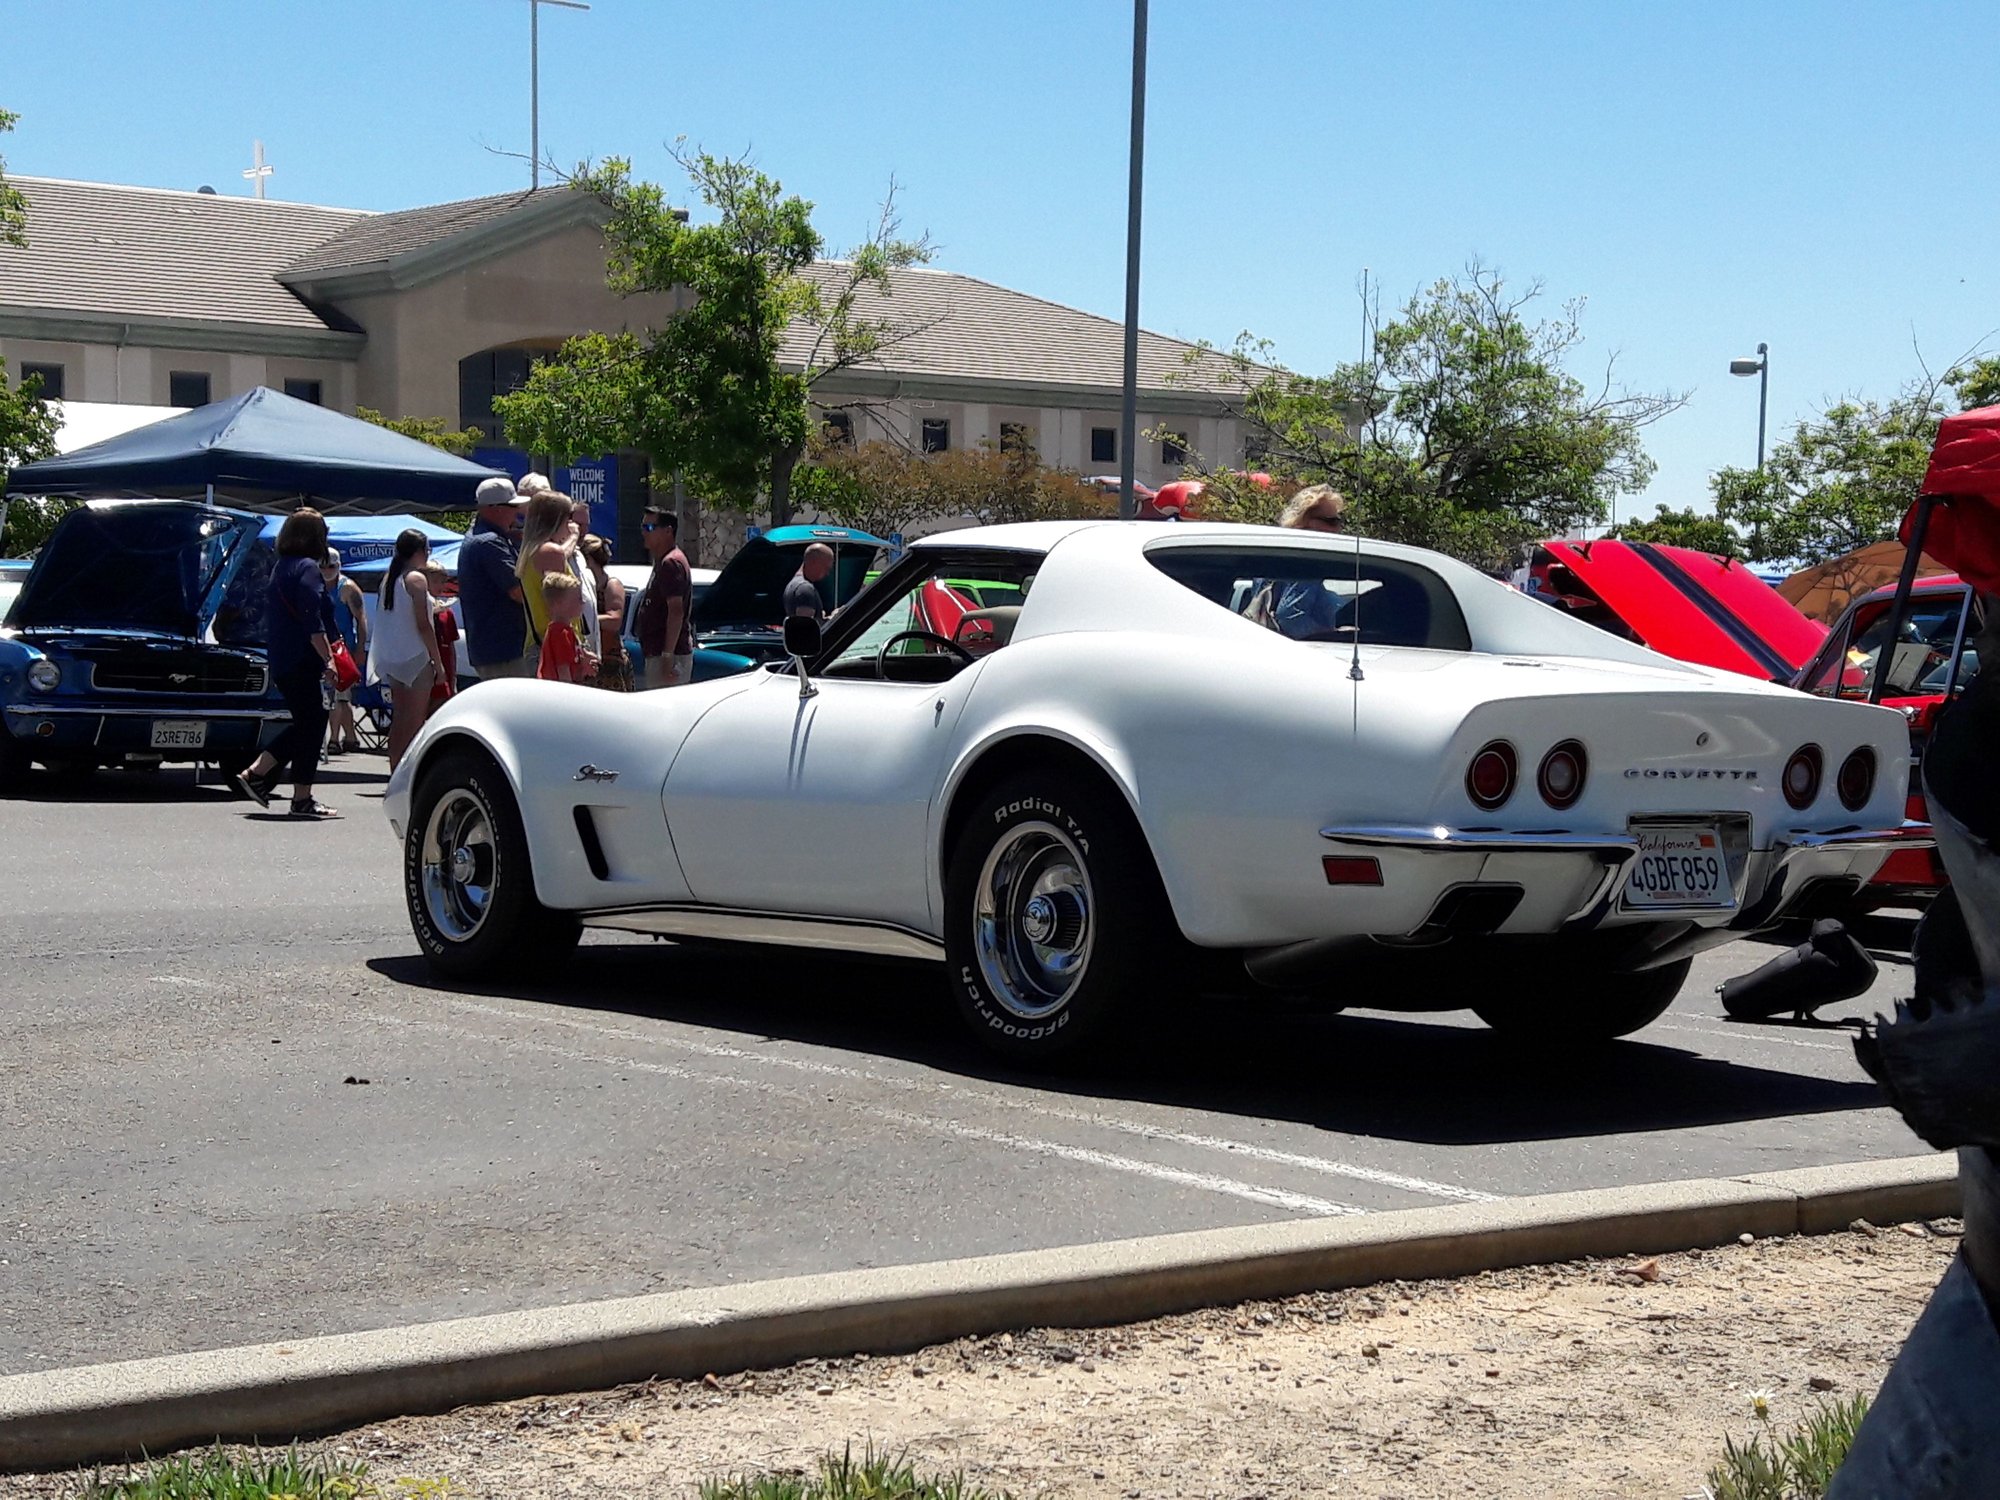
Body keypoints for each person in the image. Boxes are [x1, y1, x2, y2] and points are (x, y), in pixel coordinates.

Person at [233, 508, 340, 819]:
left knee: (310, 724)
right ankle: (259, 772)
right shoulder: (307, 568)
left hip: (283, 657)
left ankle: (299, 795)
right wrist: (329, 658)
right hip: (303, 659)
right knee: (310, 724)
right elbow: (311, 617)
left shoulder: (282, 566)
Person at [369, 529, 449, 771]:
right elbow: (423, 625)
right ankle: (408, 774)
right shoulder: (416, 579)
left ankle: (395, 771)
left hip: (393, 657)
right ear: (419, 551)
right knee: (414, 723)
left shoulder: (389, 578)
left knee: (400, 720)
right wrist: (438, 663)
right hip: (415, 657)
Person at [516, 490, 596, 680]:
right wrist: (574, 536)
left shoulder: (532, 549)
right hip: (556, 648)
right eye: (568, 518)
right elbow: (562, 605)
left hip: (547, 644)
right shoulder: (549, 551)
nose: (571, 525)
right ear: (556, 520)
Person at [459, 476, 530, 679]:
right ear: (496, 509)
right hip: (503, 651)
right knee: (518, 699)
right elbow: (518, 592)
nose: (517, 512)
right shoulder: (489, 543)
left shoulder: (482, 538)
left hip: (496, 649)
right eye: (512, 506)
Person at [1271, 484, 1350, 640]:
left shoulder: (1278, 555)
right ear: (1307, 521)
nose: (1338, 528)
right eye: (1332, 521)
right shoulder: (1305, 561)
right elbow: (1291, 618)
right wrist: (1336, 637)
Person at [636, 506, 695, 689]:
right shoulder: (662, 561)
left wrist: (667, 656)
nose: (644, 532)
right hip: (658, 652)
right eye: (643, 527)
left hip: (669, 655)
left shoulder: (671, 563)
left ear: (668, 531)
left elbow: (676, 611)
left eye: (649, 528)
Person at [319, 548, 369, 757]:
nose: (326, 570)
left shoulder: (347, 588)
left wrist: (360, 649)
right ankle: (351, 737)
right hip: (322, 646)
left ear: (338, 566)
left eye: (330, 566)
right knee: (340, 696)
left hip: (343, 649)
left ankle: (334, 739)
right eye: (322, 567)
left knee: (339, 696)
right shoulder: (316, 585)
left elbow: (361, 619)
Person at [577, 534, 633, 691]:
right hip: (589, 661)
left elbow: (614, 620)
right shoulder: (583, 586)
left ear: (588, 559)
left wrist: (584, 619)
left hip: (610, 663)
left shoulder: (611, 585)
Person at [535, 573, 591, 683]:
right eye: (577, 599)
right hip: (559, 690)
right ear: (559, 604)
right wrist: (570, 692)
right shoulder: (560, 633)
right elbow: (563, 671)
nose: (583, 602)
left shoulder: (567, 630)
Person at [568, 496, 602, 665]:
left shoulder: (581, 557)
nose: (583, 531)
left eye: (586, 525)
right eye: (578, 524)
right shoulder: (558, 557)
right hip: (573, 652)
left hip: (591, 651)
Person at [425, 561, 460, 704]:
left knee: (442, 704)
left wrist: (453, 675)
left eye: (442, 581)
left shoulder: (447, 612)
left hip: (445, 668)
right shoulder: (419, 612)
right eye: (435, 581)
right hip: (426, 668)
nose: (440, 586)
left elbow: (451, 646)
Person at [784, 541, 834, 622]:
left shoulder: (794, 584)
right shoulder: (805, 588)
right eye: (826, 568)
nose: (827, 573)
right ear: (814, 562)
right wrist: (833, 619)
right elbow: (805, 626)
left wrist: (821, 617)